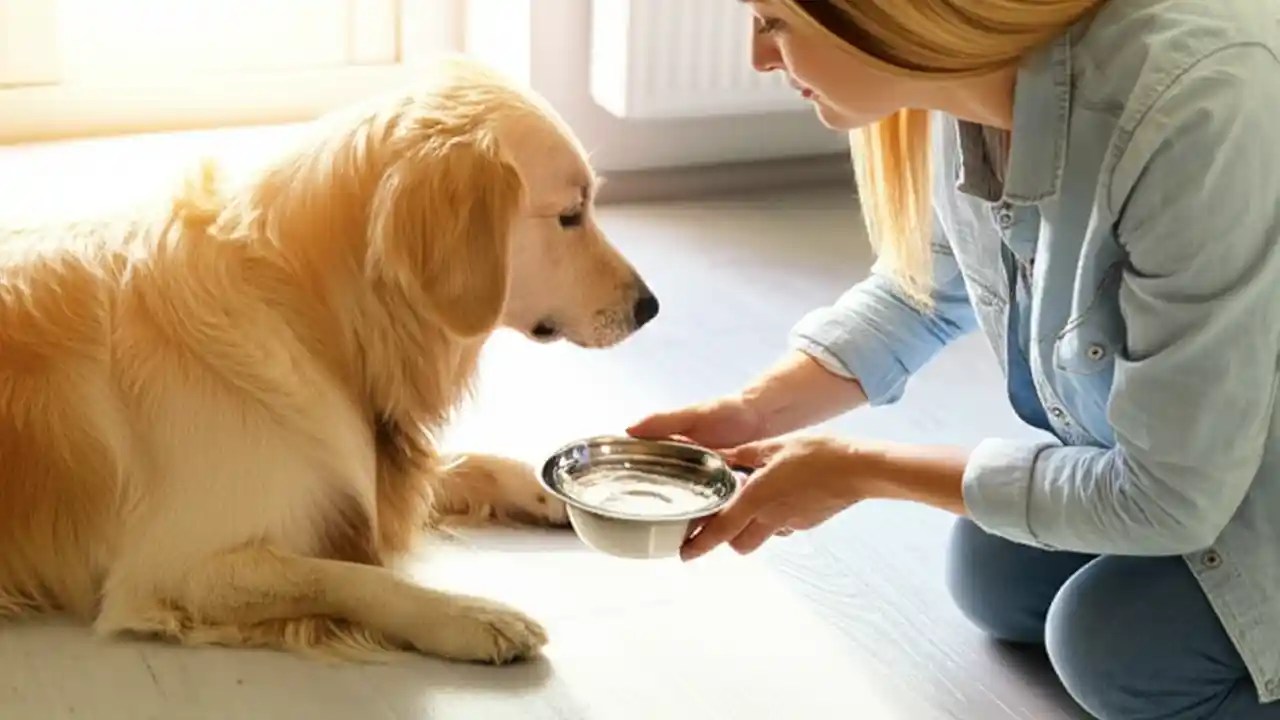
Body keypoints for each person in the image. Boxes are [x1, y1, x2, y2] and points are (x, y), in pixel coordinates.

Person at [626, 1, 1280, 718]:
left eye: (774, 20)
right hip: (1221, 443)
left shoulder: (1191, 106)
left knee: (1115, 650)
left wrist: (862, 470)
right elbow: (924, 290)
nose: (758, 57)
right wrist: (747, 413)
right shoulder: (971, 84)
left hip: (1233, 470)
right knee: (993, 572)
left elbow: (1168, 499)